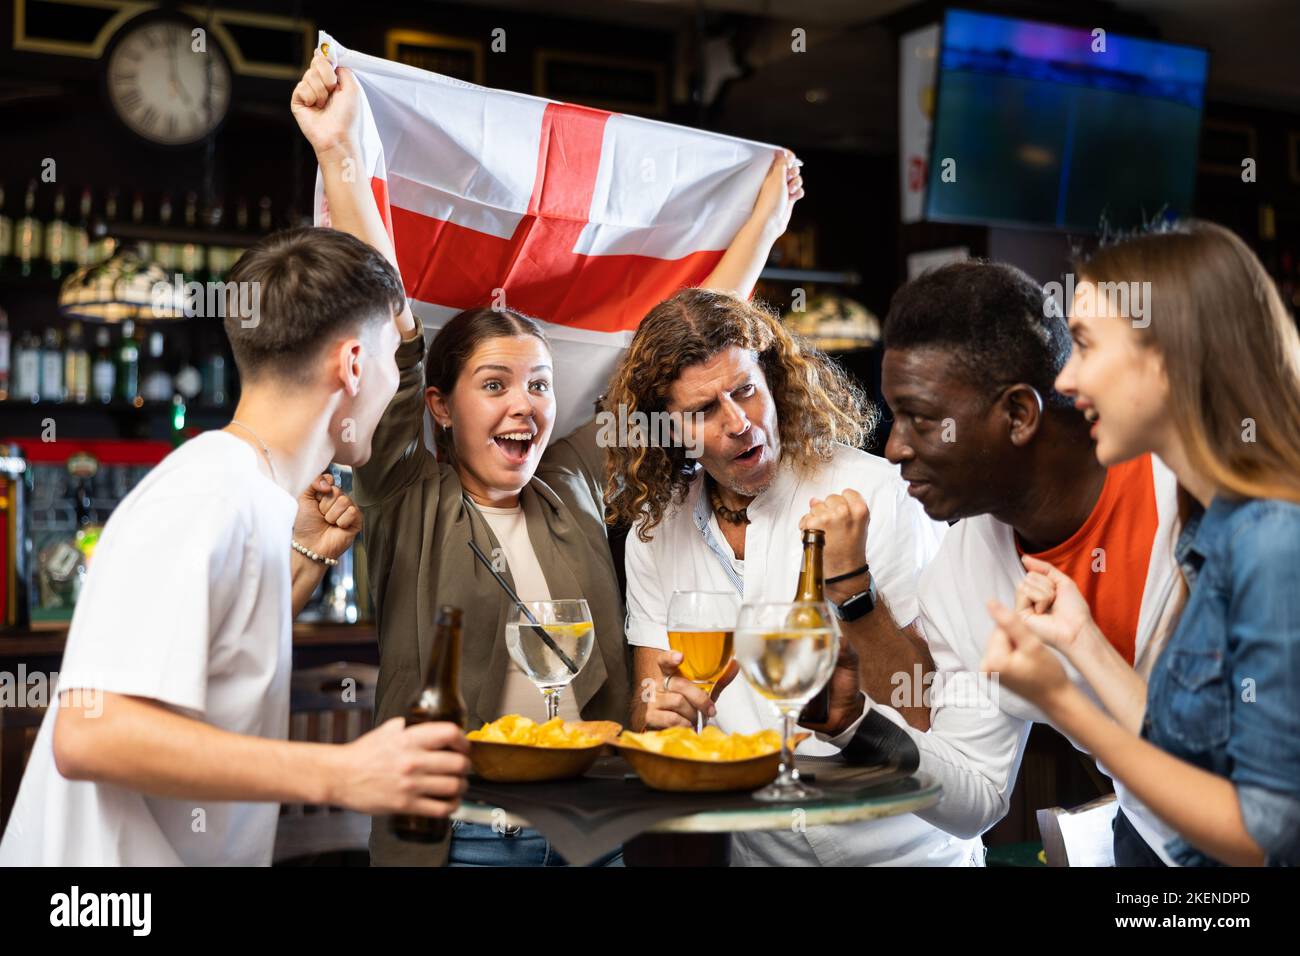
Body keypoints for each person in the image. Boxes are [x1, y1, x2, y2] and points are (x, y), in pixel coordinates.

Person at [290, 48, 802, 866]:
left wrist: (761, 229)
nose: (524, 403)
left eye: (538, 384)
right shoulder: (405, 493)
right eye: (494, 385)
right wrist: (338, 151)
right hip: (455, 841)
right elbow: (388, 319)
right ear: (438, 408)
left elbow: (666, 362)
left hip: (589, 834)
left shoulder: (568, 482)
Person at [0, 228, 471, 866]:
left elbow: (214, 659)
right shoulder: (211, 495)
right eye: (393, 357)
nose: (396, 384)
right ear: (354, 364)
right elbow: (90, 733)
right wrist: (341, 772)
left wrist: (305, 559)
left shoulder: (242, 490)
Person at [817, 258, 1187, 865]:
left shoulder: (1189, 488)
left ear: (1018, 415)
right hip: (1153, 838)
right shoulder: (961, 574)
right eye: (893, 415)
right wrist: (860, 727)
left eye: (921, 418)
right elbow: (979, 797)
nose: (894, 447)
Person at [605, 287, 979, 866]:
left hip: (905, 852)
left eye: (746, 391)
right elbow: (650, 703)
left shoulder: (878, 492)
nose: (738, 423)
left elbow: (926, 710)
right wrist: (656, 719)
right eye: (703, 411)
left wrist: (854, 590)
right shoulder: (653, 536)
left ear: (773, 380)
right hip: (763, 856)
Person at [983, 221, 1300, 866]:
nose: (1065, 381)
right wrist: (1082, 641)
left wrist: (1064, 702)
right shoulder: (1211, 524)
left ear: (1170, 355)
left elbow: (1261, 835)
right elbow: (1184, 754)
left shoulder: (1272, 542)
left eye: (1086, 346)